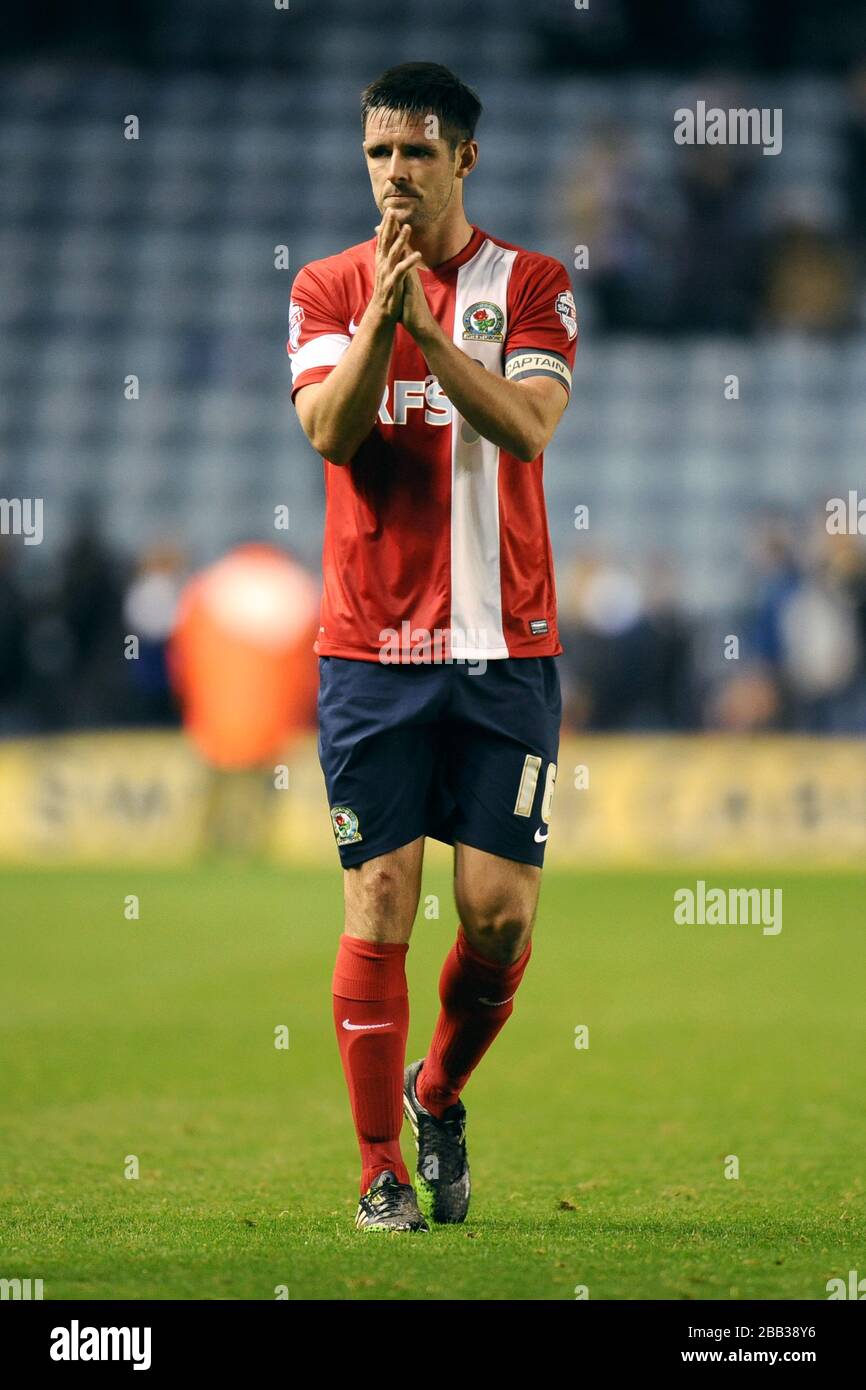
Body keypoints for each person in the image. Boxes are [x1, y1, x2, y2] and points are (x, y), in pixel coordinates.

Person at [288, 62, 577, 1232]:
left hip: (505, 643)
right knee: (381, 899)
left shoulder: (534, 284)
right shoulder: (324, 286)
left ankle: (436, 1093)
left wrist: (431, 336)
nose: (392, 174)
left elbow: (526, 424)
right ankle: (376, 1171)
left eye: (414, 152)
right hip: (368, 649)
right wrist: (378, 322)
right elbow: (329, 430)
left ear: (463, 158)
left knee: (499, 912)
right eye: (376, 153)